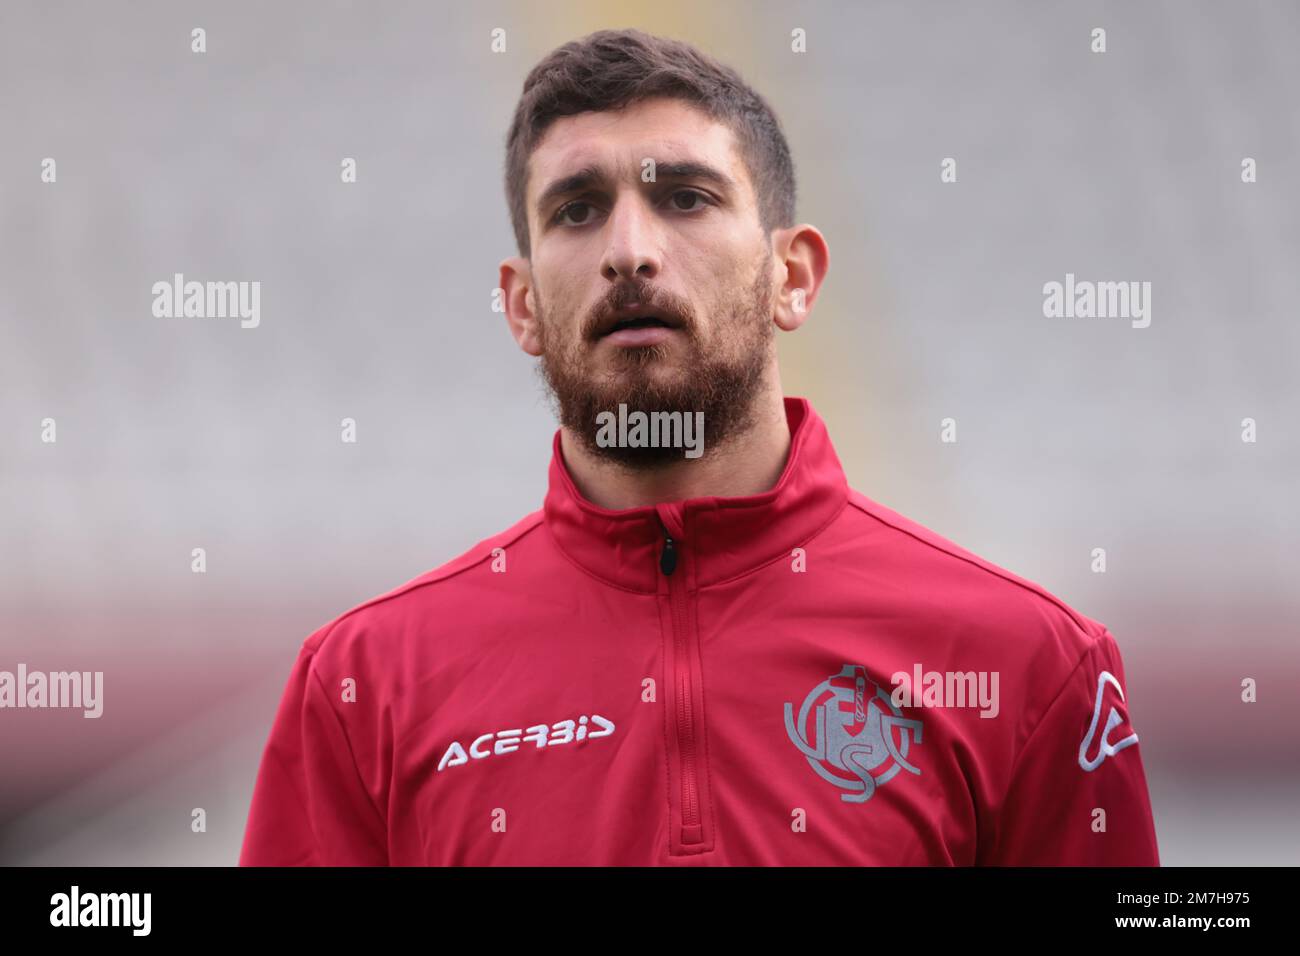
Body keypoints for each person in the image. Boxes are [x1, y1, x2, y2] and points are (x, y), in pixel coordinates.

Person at [239, 28, 1159, 866]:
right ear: (520, 305)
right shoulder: (365, 688)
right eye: (576, 209)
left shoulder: (1028, 665)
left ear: (790, 278)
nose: (630, 250)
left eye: (685, 197)